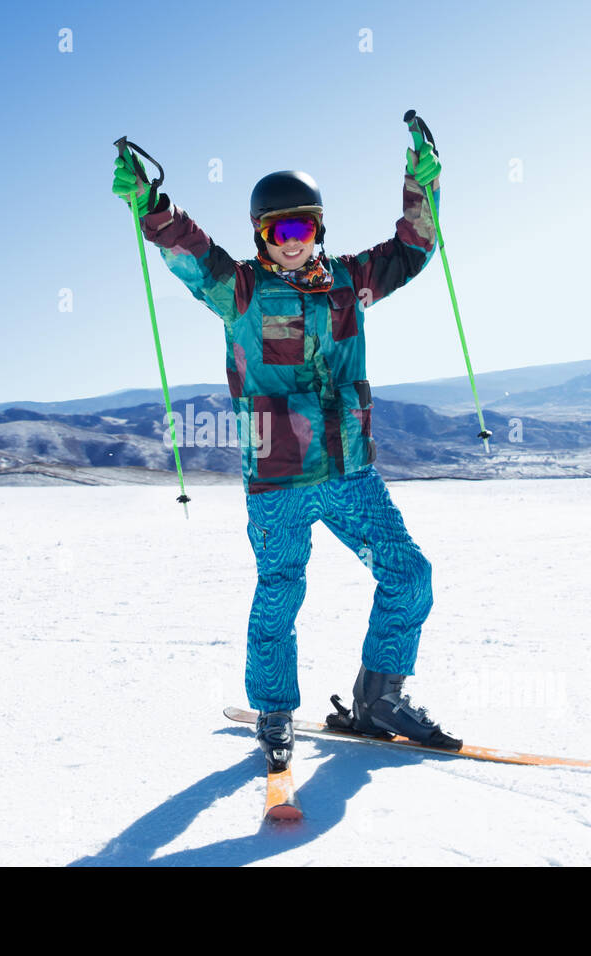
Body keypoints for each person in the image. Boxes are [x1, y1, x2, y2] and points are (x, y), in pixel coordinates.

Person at [112, 136, 461, 772]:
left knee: (410, 575)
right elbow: (192, 253)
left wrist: (422, 183)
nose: (291, 240)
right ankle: (274, 712)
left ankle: (380, 699)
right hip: (277, 480)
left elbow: (414, 247)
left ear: (318, 228)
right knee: (280, 592)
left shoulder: (352, 282)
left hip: (352, 472)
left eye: (302, 227)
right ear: (261, 236)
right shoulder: (239, 291)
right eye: (278, 230)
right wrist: (152, 206)